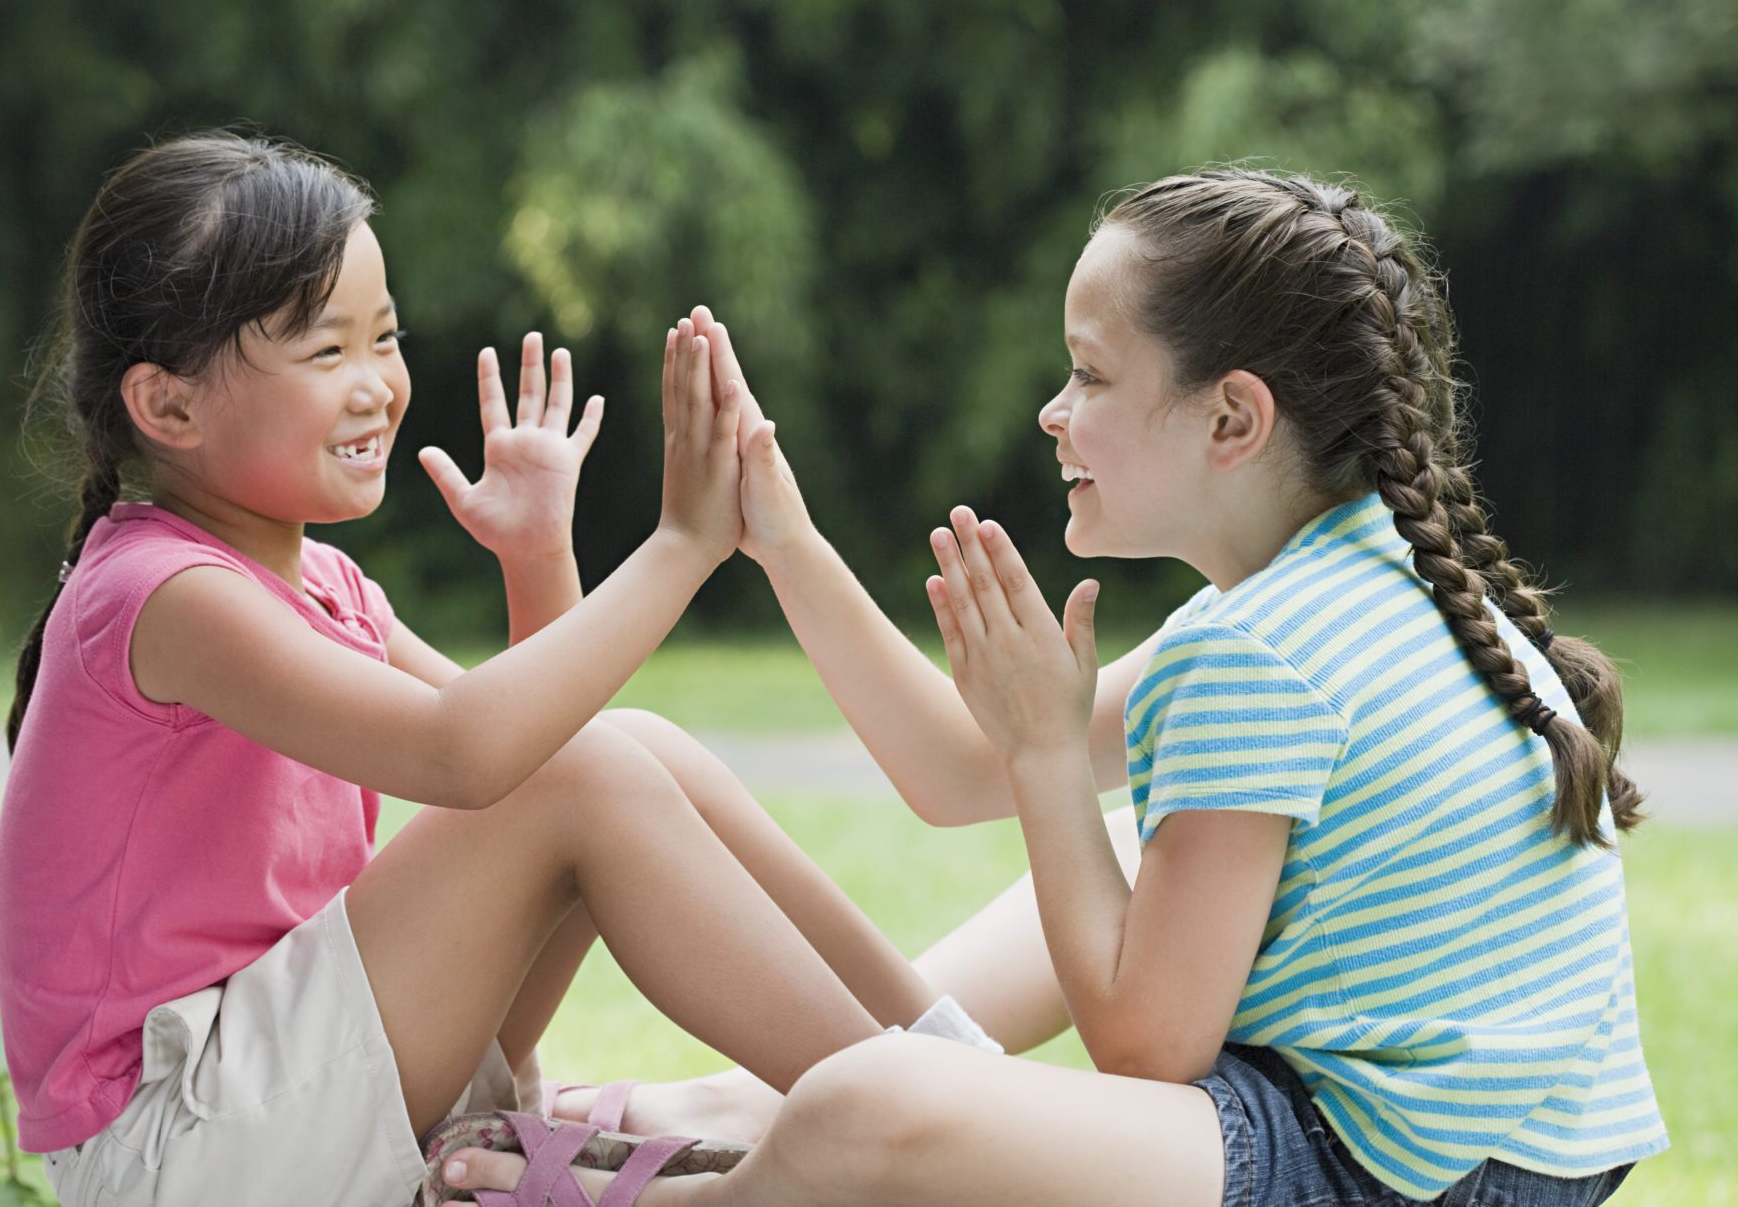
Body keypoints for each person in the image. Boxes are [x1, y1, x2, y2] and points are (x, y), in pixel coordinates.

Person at [436, 169, 1667, 1205]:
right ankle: (766, 1112)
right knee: (680, 768)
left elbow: (1144, 1048)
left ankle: (677, 1179)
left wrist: (1039, 753)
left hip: (1387, 1171)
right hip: (1487, 1153)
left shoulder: (1258, 655)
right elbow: (950, 774)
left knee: (874, 1102)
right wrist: (786, 543)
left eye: (1087, 375)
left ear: (1230, 419)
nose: (1050, 411)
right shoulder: (1346, 585)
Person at [0, 131, 991, 1207]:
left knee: (625, 750)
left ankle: (951, 1071)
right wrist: (680, 548)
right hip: (175, 1152)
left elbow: (531, 748)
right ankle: (941, 1150)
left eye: (384, 338)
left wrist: (535, 559)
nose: (377, 384)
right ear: (167, 406)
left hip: (278, 1092)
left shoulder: (314, 579)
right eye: (326, 352)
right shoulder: (162, 594)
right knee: (589, 773)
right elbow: (466, 756)